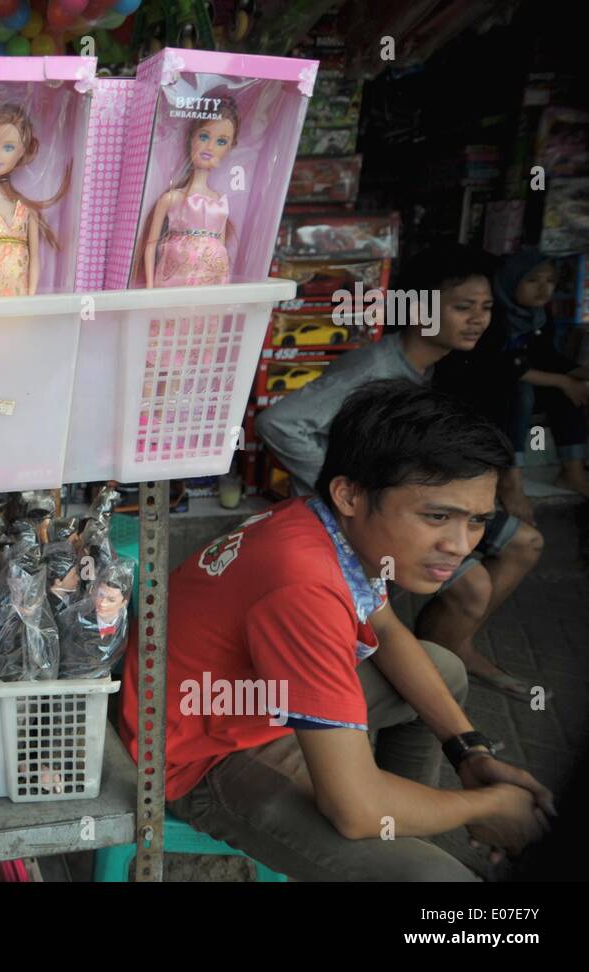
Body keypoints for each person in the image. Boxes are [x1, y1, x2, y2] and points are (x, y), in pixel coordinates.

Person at [122, 381, 555, 881]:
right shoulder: (303, 584)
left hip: (256, 703)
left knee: (442, 669)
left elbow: (388, 632)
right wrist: (486, 807)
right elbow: (352, 811)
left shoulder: (322, 523)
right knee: (436, 879)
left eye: (477, 521)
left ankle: (400, 827)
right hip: (199, 753)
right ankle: (395, 828)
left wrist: (468, 751)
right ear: (349, 493)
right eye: (437, 516)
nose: (460, 545)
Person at [257, 244, 544, 700]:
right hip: (368, 514)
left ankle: (446, 656)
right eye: (462, 307)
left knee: (525, 543)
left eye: (486, 308)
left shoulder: (444, 368)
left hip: (426, 506)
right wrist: (349, 490)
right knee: (471, 586)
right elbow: (278, 423)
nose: (478, 319)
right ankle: (420, 685)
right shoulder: (374, 368)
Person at [435, 249, 589, 499]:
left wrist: (579, 373)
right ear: (511, 279)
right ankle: (509, 474)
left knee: (567, 390)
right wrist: (563, 380)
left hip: (512, 385)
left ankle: (573, 471)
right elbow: (502, 366)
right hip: (475, 390)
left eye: (549, 281)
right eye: (532, 280)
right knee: (525, 389)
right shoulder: (488, 314)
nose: (543, 289)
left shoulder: (538, 315)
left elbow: (546, 356)